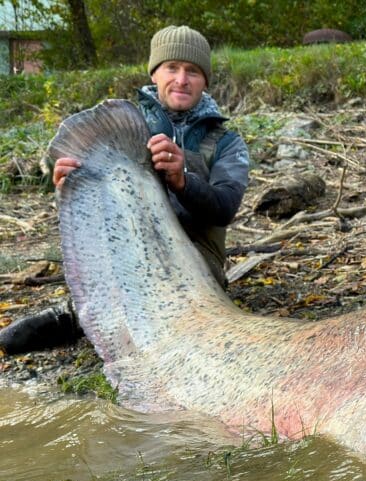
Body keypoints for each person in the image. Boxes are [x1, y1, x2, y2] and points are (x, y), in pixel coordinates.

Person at [0, 25, 250, 356]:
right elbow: (76, 181)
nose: (182, 79)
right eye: (171, 68)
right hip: (126, 248)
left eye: (192, 71)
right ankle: (79, 314)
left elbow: (226, 206)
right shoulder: (122, 128)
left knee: (175, 307)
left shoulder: (226, 142)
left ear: (205, 80)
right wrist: (62, 182)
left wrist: (183, 180)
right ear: (155, 74)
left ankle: (84, 319)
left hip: (198, 264)